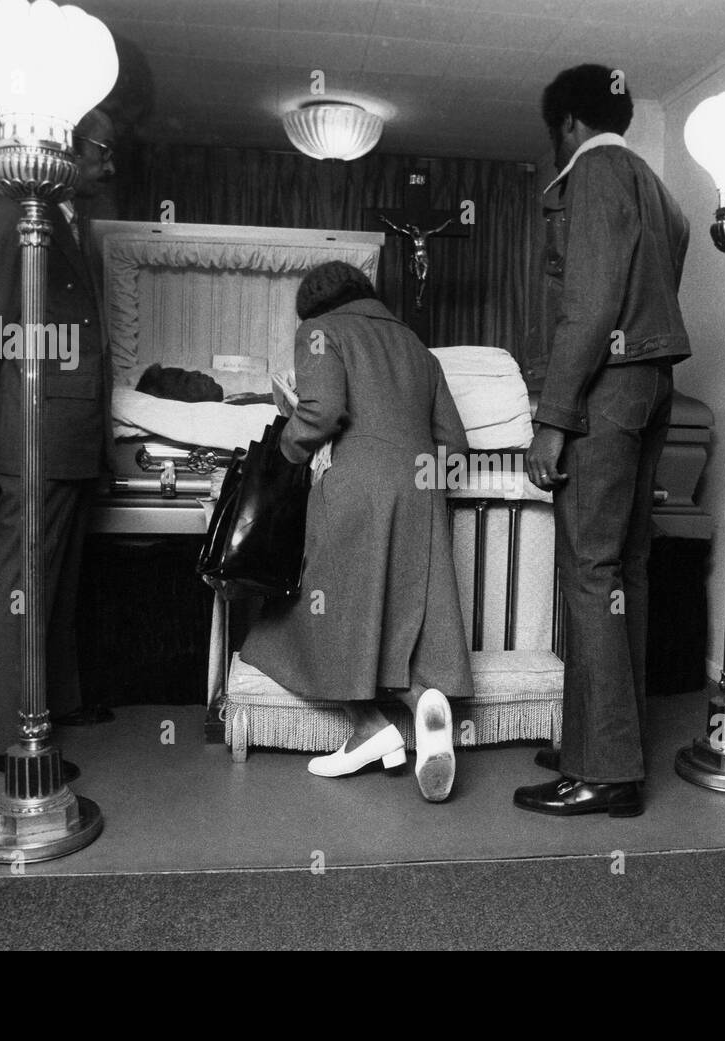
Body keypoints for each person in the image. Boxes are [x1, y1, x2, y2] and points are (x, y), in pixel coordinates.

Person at [514, 64, 690, 817]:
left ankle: (608, 768)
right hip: (654, 381)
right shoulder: (655, 185)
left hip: (605, 389)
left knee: (590, 571)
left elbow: (586, 309)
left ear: (567, 126)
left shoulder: (589, 177)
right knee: (629, 570)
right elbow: (670, 255)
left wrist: (553, 418)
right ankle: (606, 739)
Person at [239, 261, 473, 803]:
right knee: (386, 615)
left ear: (314, 308)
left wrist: (283, 453)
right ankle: (421, 705)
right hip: (421, 495)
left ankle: (370, 727)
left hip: (353, 488)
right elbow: (455, 448)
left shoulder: (321, 331)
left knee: (303, 616)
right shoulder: (417, 348)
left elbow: (322, 413)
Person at [0, 108, 119, 775]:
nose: (109, 165)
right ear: (65, 146)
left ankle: (56, 701)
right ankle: (8, 735)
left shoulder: (69, 228)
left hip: (70, 432)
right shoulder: (12, 217)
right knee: (23, 584)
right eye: (101, 151)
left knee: (55, 582)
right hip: (32, 429)